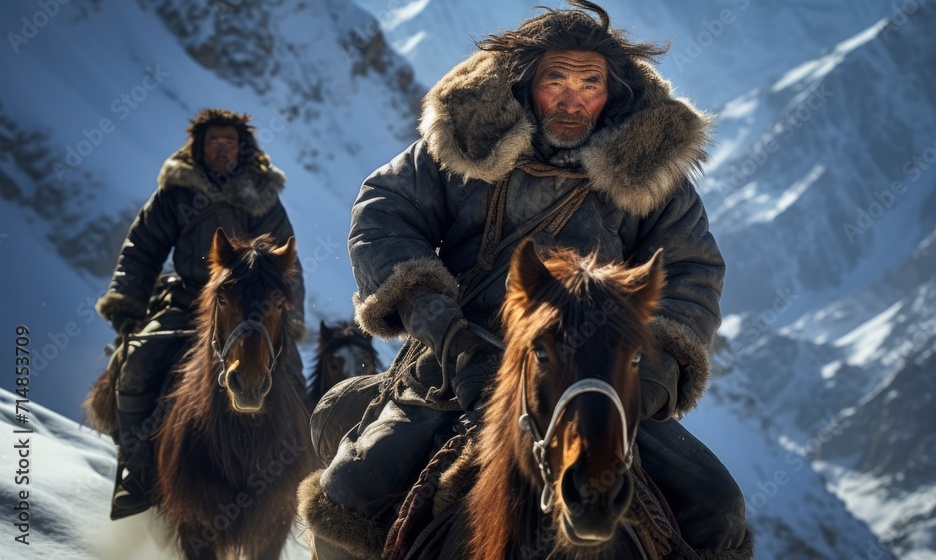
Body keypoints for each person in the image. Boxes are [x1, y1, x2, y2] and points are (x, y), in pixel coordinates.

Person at [310, 1, 751, 557]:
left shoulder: (651, 173)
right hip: (461, 356)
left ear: (611, 91)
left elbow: (691, 269)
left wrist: (657, 369)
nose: (572, 99)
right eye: (555, 81)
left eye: (589, 82)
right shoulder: (464, 147)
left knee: (717, 508)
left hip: (602, 372)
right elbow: (384, 212)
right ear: (525, 85)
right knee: (350, 496)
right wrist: (437, 323)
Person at [95, 108, 307, 518]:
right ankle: (138, 476)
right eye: (214, 140)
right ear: (199, 147)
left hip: (251, 306)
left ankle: (297, 478)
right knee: (137, 365)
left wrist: (286, 316)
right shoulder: (175, 193)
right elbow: (142, 248)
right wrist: (126, 303)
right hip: (184, 301)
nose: (222, 147)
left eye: (230, 140)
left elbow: (285, 263)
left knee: (295, 379)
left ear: (242, 148)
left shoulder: (262, 195)